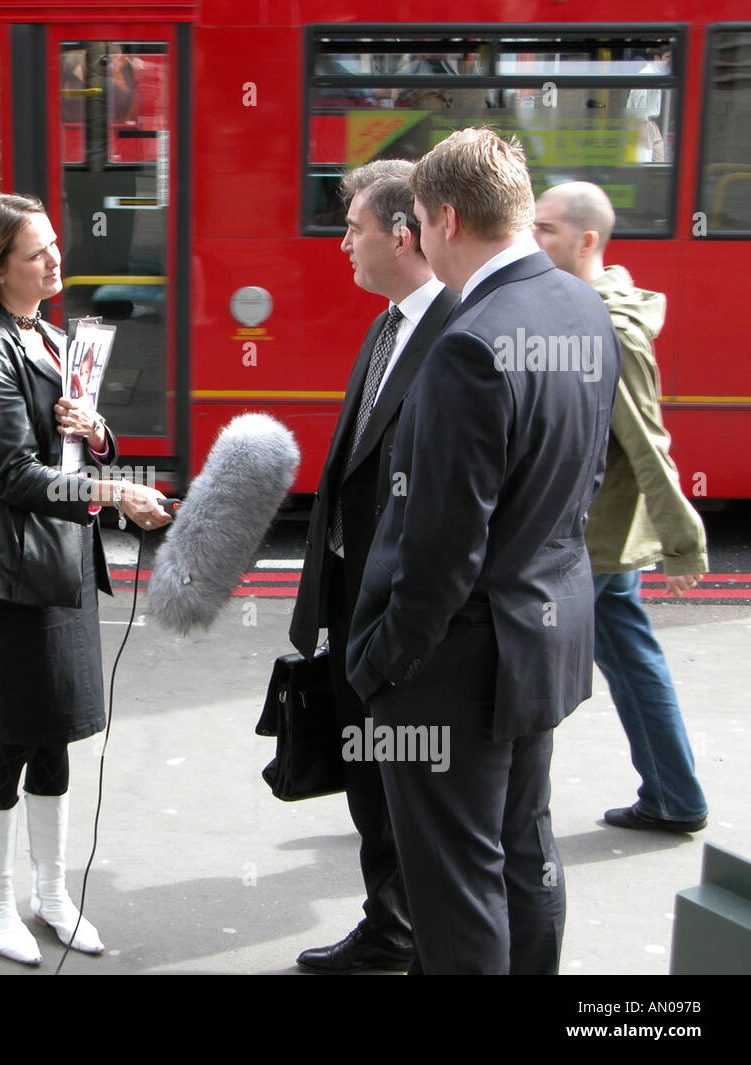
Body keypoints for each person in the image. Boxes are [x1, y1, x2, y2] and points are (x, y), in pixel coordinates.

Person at [346, 129, 620, 973]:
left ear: (448, 220)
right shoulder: (582, 305)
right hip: (543, 638)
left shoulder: (468, 343)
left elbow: (440, 546)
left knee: (458, 885)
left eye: (422, 222)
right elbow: (585, 477)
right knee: (525, 851)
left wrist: (386, 661)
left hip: (457, 665)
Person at [0, 192, 171, 966]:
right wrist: (119, 492)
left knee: (58, 730)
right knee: (15, 732)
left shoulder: (45, 334)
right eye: (35, 252)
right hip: (13, 568)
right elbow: (13, 475)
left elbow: (71, 448)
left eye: (52, 246)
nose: (54, 260)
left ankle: (51, 895)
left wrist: (98, 433)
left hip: (64, 559)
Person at [289, 160, 458, 974]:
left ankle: (412, 934)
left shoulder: (456, 332)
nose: (341, 243)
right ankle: (388, 925)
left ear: (401, 234)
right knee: (368, 779)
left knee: (407, 785)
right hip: (352, 596)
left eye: (352, 228)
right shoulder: (388, 324)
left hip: (400, 613)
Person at [534, 180, 709, 833]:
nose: (532, 240)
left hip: (591, 538)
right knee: (630, 658)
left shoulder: (608, 326)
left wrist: (682, 543)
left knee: (524, 661)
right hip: (591, 532)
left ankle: (481, 803)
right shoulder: (582, 308)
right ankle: (674, 795)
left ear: (587, 240)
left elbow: (646, 441)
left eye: (547, 229)